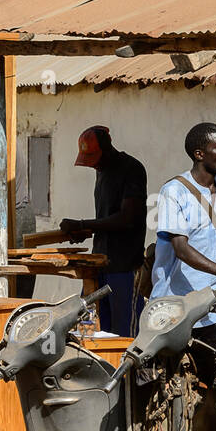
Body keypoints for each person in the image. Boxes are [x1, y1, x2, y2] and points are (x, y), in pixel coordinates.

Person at [149, 122, 216, 330]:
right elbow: (181, 249)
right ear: (199, 154)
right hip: (175, 304)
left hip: (214, 301)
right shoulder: (173, 191)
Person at [58, 126, 147, 336]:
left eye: (95, 158)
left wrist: (82, 224)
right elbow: (107, 218)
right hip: (100, 263)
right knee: (96, 331)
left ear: (107, 149)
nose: (93, 165)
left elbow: (127, 218)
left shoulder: (131, 169)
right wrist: (86, 230)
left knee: (126, 334)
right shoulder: (101, 172)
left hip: (125, 265)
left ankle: (130, 371)